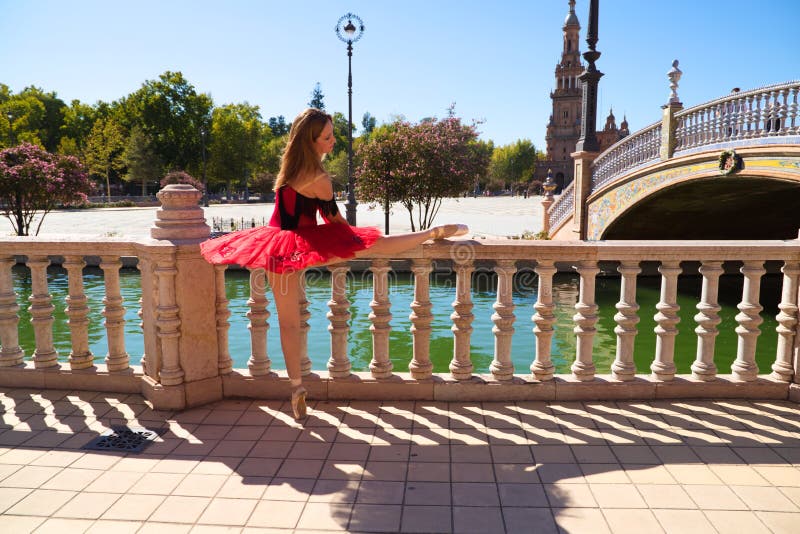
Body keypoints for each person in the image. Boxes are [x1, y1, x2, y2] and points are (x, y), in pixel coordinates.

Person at [200, 108, 468, 419]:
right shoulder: (320, 179)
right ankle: (436, 231)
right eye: (327, 137)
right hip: (300, 240)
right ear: (311, 141)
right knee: (378, 244)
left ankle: (297, 389)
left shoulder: (288, 170)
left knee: (287, 323)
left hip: (274, 242)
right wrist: (357, 238)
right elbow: (334, 221)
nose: (333, 141)